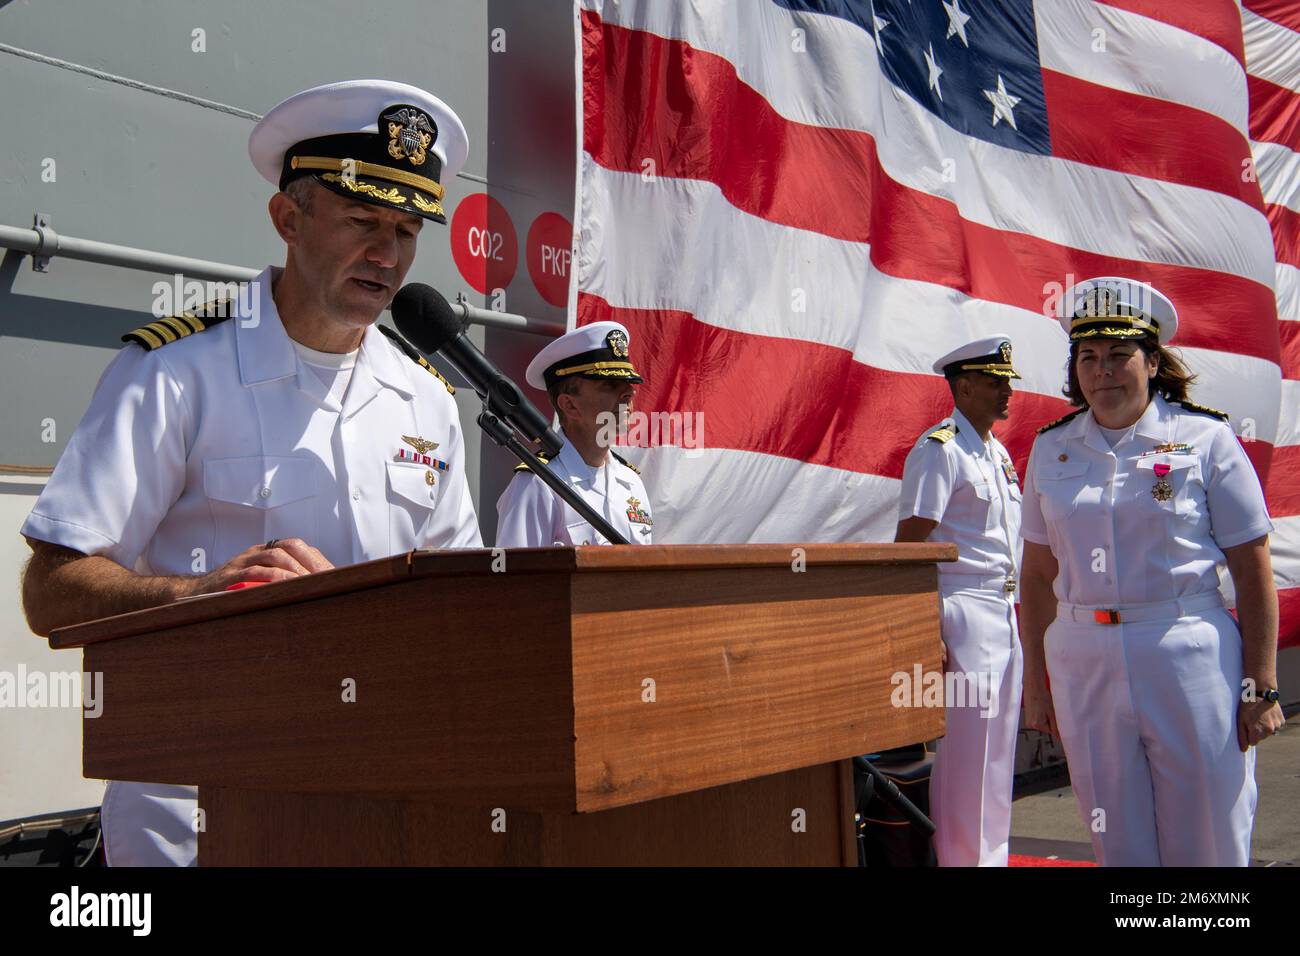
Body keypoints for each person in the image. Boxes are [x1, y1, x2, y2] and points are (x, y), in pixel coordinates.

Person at [19, 80, 482, 866]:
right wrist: (201, 595)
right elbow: (51, 587)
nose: (389, 254)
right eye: (365, 220)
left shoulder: (428, 403)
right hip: (190, 825)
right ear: (288, 219)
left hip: (371, 813)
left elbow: (464, 607)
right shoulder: (175, 372)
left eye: (407, 230)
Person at [1018, 276, 1284, 866]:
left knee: (1209, 832)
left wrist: (1261, 686)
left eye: (1118, 355)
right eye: (1088, 356)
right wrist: (1035, 683)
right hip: (1082, 658)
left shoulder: (1206, 439)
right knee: (1116, 838)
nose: (1102, 370)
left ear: (1153, 361)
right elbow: (1037, 576)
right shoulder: (1051, 448)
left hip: (1185, 652)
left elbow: (1252, 565)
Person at [895, 335, 1024, 866]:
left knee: (997, 756)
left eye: (1007, 382)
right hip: (962, 608)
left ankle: (989, 857)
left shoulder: (996, 452)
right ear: (963, 386)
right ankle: (960, 860)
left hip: (1003, 608)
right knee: (969, 756)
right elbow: (909, 544)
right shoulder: (940, 448)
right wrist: (920, 627)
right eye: (994, 382)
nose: (1006, 392)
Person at [496, 322, 653, 547]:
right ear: (570, 405)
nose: (630, 392)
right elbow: (515, 579)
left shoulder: (631, 482)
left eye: (628, 383)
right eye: (609, 385)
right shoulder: (538, 484)